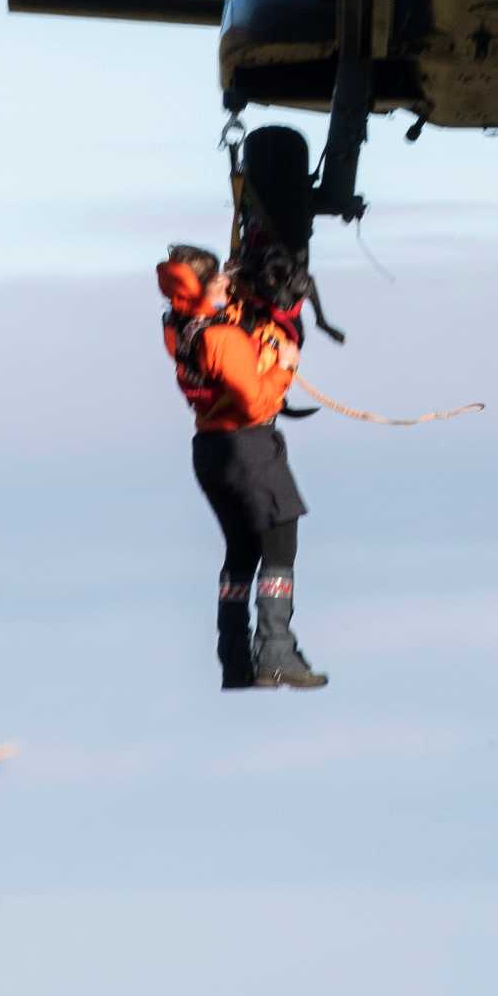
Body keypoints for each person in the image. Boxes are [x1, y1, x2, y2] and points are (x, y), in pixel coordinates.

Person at [159, 241, 327, 691]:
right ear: (203, 285)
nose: (226, 284)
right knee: (279, 546)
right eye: (218, 279)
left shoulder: (179, 328)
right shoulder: (223, 337)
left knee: (241, 550)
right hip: (248, 446)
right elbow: (254, 402)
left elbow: (220, 334)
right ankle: (275, 651)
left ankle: (234, 657)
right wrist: (285, 367)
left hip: (210, 451)